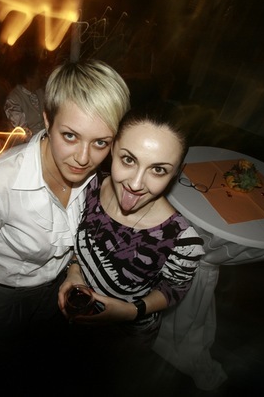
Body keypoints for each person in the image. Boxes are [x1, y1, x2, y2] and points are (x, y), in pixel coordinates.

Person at [0, 58, 130, 373]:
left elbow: (80, 235)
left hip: (57, 284)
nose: (83, 158)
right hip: (8, 293)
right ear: (47, 119)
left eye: (101, 142)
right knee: (12, 353)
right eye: (70, 136)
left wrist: (74, 270)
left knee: (44, 346)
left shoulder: (97, 180)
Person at [57, 101, 205, 359]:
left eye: (158, 170)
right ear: (113, 149)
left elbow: (175, 288)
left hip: (125, 338)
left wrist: (130, 311)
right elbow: (78, 244)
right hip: (78, 319)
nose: (135, 184)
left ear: (175, 173)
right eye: (128, 159)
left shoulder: (182, 239)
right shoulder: (89, 188)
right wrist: (74, 271)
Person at [3, 54, 48, 136]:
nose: (42, 76)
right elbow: (23, 133)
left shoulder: (40, 92)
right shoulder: (13, 100)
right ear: (29, 77)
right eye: (39, 74)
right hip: (28, 142)